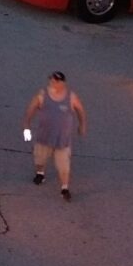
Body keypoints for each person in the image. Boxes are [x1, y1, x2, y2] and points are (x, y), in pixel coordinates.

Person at [25, 72, 87, 200]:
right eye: (51, 80)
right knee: (40, 159)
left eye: (54, 81)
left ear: (62, 83)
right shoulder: (42, 95)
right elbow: (30, 110)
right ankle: (40, 173)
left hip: (62, 140)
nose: (51, 83)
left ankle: (65, 188)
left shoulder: (71, 97)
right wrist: (26, 126)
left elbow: (80, 110)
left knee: (64, 165)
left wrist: (82, 125)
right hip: (44, 137)